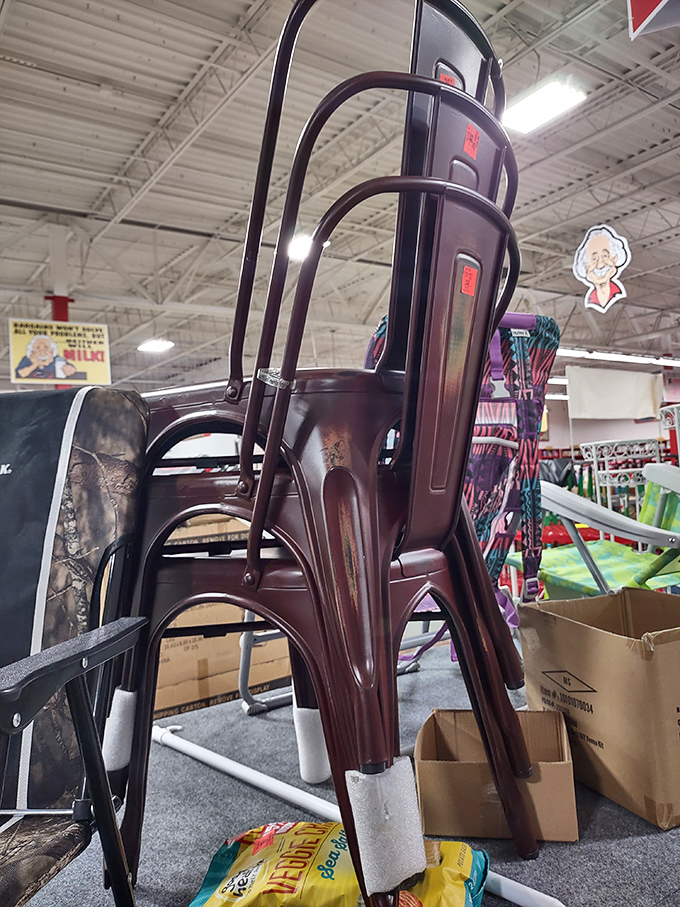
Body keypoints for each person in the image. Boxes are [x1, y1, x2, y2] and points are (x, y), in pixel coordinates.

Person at [572, 224, 631, 314]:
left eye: (605, 256)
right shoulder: (587, 302)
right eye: (594, 258)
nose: (600, 264)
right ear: (585, 265)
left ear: (615, 258)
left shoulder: (625, 298)